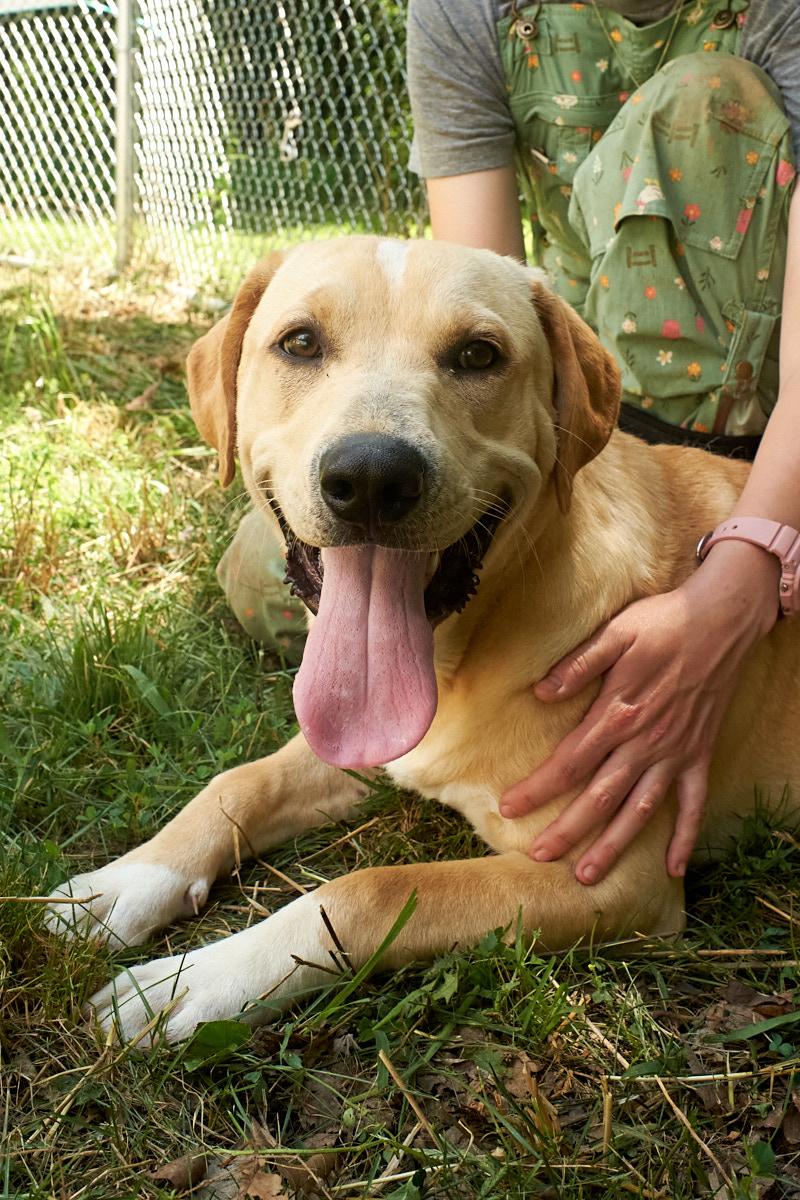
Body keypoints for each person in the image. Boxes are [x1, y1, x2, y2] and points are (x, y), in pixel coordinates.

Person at [406, 0, 800, 884]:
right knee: (267, 576)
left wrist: (739, 576)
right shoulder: (466, 12)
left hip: (765, 429)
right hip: (588, 413)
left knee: (702, 99)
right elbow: (481, 300)